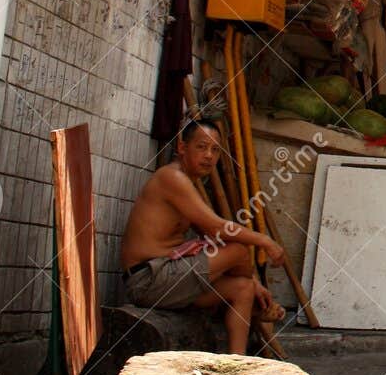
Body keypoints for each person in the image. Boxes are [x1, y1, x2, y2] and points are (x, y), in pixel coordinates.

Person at [119, 120, 285, 356]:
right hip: (149, 280)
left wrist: (255, 283)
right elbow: (217, 227)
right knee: (238, 250)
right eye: (202, 147)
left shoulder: (189, 184)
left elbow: (209, 233)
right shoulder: (172, 178)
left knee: (243, 288)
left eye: (215, 150)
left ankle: (237, 364)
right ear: (182, 147)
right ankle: (260, 309)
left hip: (171, 280)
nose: (209, 156)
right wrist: (264, 240)